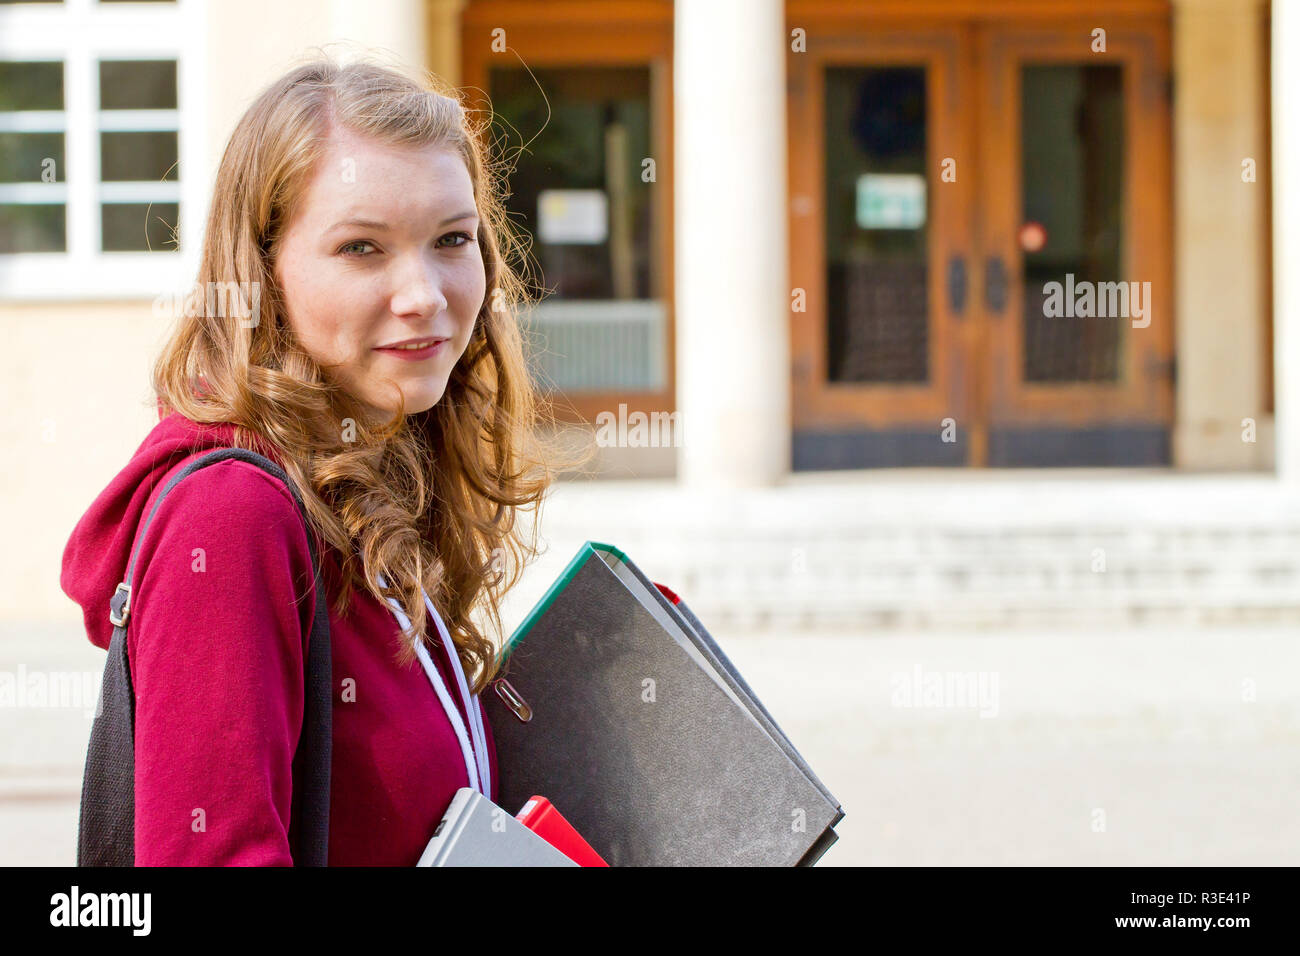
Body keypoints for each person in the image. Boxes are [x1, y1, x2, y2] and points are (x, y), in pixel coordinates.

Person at [61, 53, 583, 865]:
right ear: (263, 273)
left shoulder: (370, 483)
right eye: (362, 249)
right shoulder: (234, 515)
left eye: (452, 238)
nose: (424, 294)